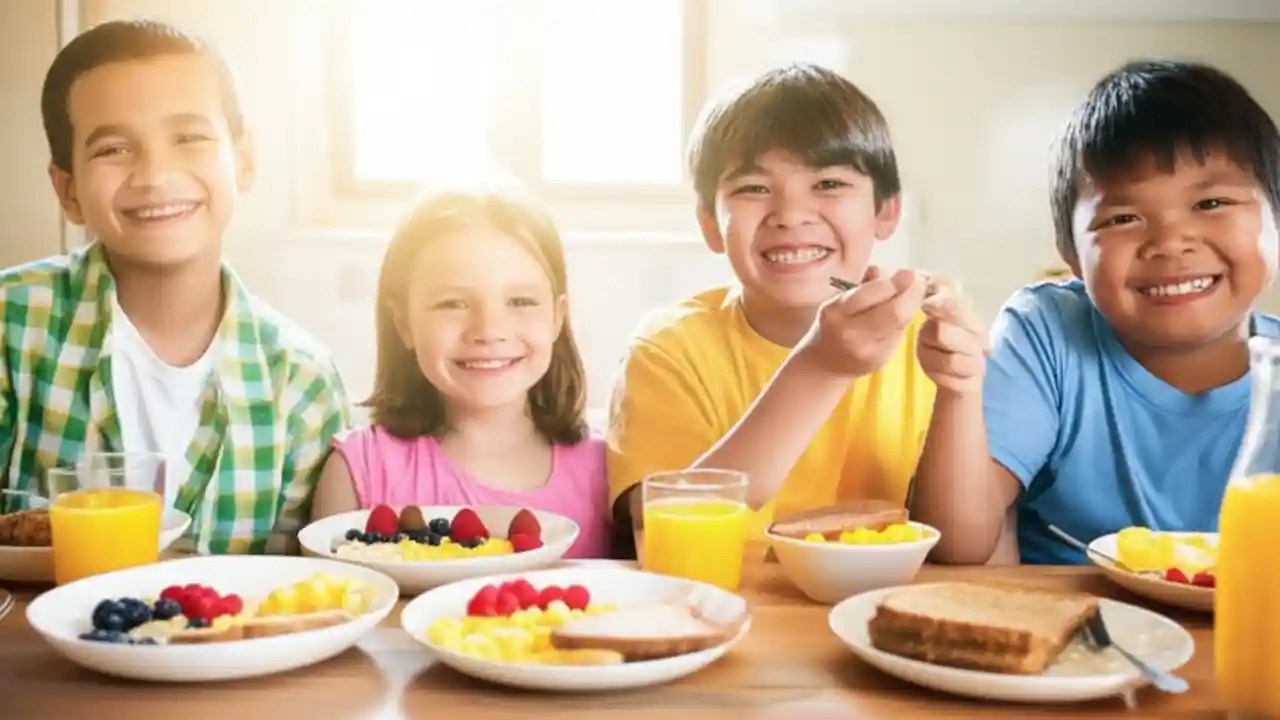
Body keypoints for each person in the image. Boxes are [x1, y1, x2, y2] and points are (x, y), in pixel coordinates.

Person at [0, 19, 350, 554]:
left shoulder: (301, 381)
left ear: (246, 159)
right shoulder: (10, 326)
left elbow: (305, 580)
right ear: (68, 191)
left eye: (189, 138)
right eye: (113, 149)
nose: (155, 174)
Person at [606, 63, 987, 552]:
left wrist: (961, 389)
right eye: (753, 189)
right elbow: (669, 535)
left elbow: (965, 550)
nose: (789, 215)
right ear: (709, 223)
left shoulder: (927, 338)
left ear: (886, 211)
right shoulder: (667, 350)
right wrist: (822, 367)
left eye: (828, 184)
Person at [911, 59, 1280, 564]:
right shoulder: (1046, 333)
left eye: (1211, 203)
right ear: (1070, 255)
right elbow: (954, 543)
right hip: (1072, 630)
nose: (1170, 243)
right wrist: (959, 389)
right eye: (1124, 217)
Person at [312, 183, 610, 559]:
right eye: (452, 303)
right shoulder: (358, 471)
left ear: (556, 318)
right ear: (404, 323)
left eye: (521, 301)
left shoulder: (608, 470)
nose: (488, 330)